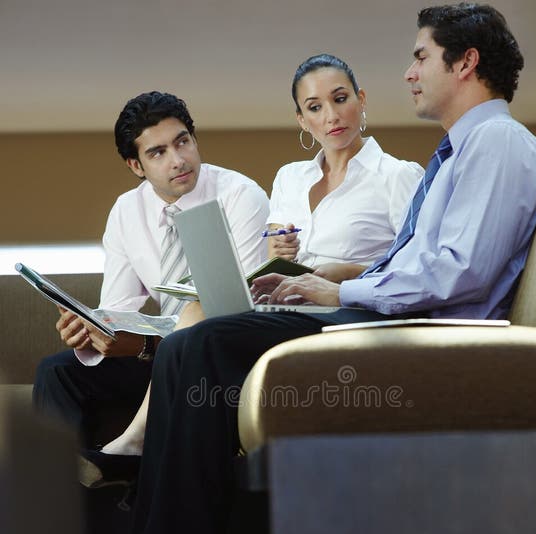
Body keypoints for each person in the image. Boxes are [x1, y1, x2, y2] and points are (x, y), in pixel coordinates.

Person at [88, 3, 536, 534]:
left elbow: (457, 273)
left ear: (465, 63)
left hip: (421, 333)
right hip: (392, 316)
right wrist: (322, 281)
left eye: (420, 56)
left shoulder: (495, 143)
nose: (410, 72)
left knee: (196, 347)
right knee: (193, 348)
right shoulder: (465, 150)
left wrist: (343, 292)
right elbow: (431, 262)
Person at [88, 54, 423, 463]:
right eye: (315, 107)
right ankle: (133, 455)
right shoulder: (289, 178)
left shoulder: (399, 176)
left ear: (361, 99)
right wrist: (277, 256)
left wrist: (341, 276)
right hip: (283, 306)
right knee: (195, 310)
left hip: (340, 311)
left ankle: (138, 440)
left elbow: (411, 271)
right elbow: (269, 261)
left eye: (340, 99)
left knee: (198, 328)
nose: (332, 115)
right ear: (302, 120)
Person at [32, 91, 269, 453]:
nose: (178, 160)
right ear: (135, 166)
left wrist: (146, 344)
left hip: (221, 352)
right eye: (158, 153)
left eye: (183, 142)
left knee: (195, 344)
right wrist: (94, 329)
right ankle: (58, 498)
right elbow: (119, 308)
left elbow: (243, 311)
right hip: (160, 353)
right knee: (57, 371)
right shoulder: (127, 211)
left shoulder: (240, 195)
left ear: (194, 139)